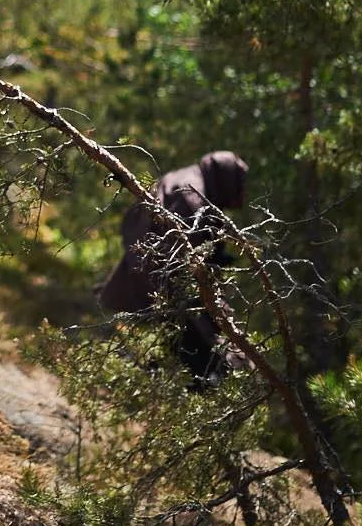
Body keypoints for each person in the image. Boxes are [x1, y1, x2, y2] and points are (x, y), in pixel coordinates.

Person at [97, 150, 249, 389]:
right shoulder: (194, 199)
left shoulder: (189, 178)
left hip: (149, 270)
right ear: (226, 179)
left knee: (159, 339)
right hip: (167, 282)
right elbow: (189, 263)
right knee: (197, 356)